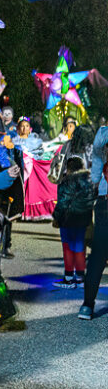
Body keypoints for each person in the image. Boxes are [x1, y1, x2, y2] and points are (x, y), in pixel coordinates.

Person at [52, 155, 95, 289]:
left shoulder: (67, 181)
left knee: (68, 248)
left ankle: (69, 278)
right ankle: (81, 278)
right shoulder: (91, 180)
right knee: (79, 247)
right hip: (84, 218)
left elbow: (62, 202)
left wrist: (56, 217)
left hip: (68, 218)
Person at [80, 127, 108, 319]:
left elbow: (96, 174)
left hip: (104, 200)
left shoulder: (103, 134)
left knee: (98, 254)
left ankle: (87, 305)